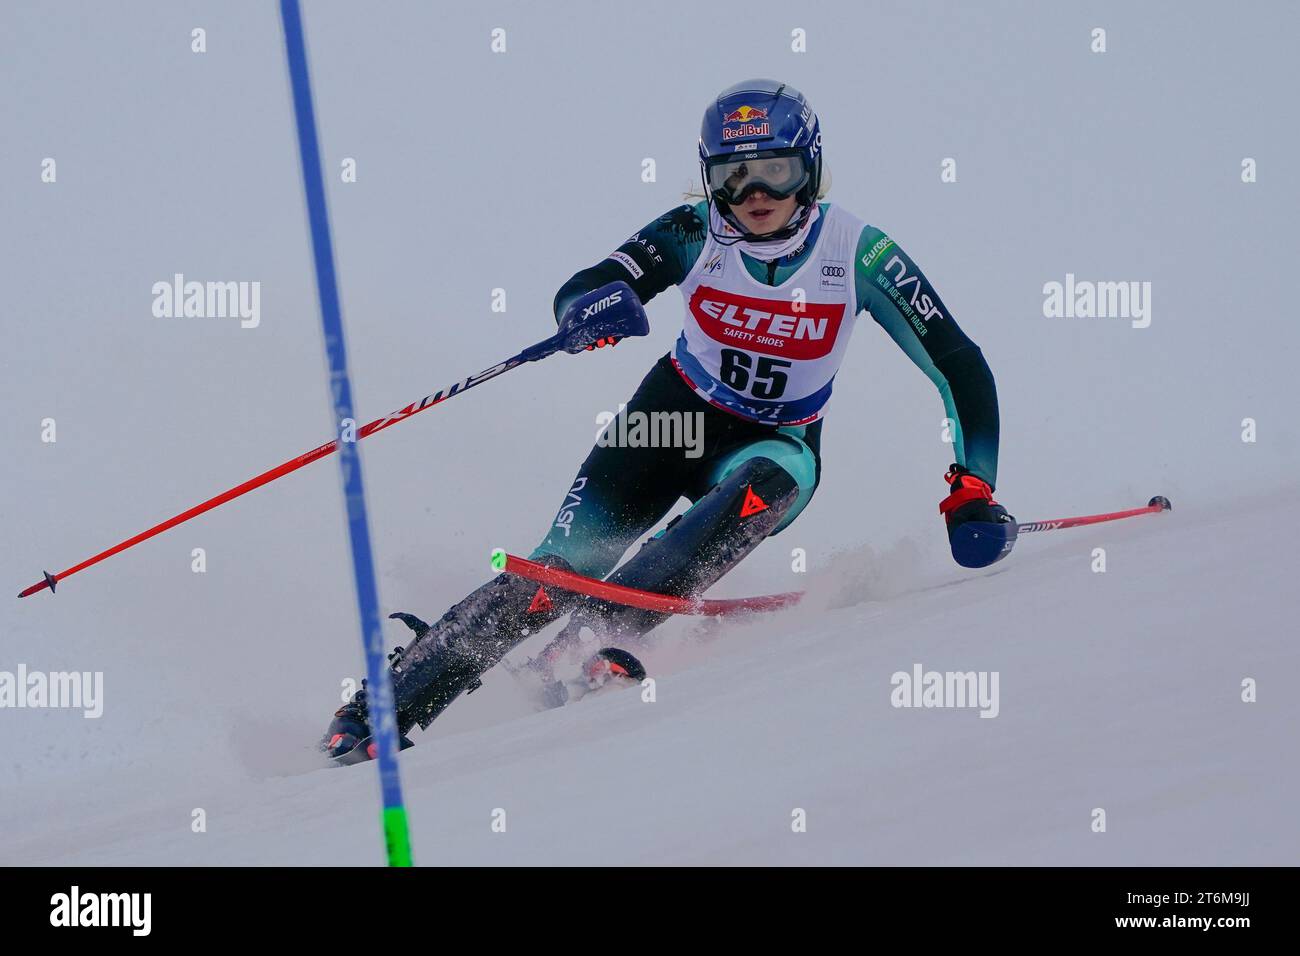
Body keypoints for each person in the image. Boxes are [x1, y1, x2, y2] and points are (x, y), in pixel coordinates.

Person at [323, 78, 1012, 762]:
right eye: (735, 177)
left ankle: (585, 648)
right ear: (710, 179)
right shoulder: (690, 232)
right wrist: (589, 312)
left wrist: (972, 485)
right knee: (559, 571)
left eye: (778, 171)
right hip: (669, 418)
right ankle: (385, 703)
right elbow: (588, 283)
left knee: (759, 489)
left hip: (776, 440)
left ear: (813, 169)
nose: (757, 196)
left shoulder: (859, 253)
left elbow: (958, 361)